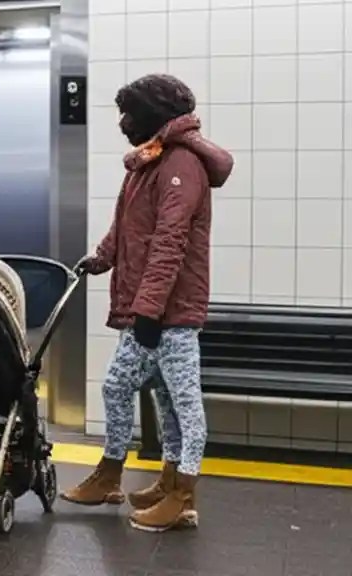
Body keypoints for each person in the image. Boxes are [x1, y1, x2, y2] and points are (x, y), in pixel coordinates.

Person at [61, 74, 233, 533]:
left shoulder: (182, 164)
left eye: (129, 114)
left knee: (166, 399)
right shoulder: (148, 162)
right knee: (165, 401)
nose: (122, 122)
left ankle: (178, 495)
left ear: (155, 116)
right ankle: (162, 482)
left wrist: (147, 311)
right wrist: (100, 259)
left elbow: (169, 242)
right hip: (154, 308)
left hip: (170, 314)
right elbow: (127, 227)